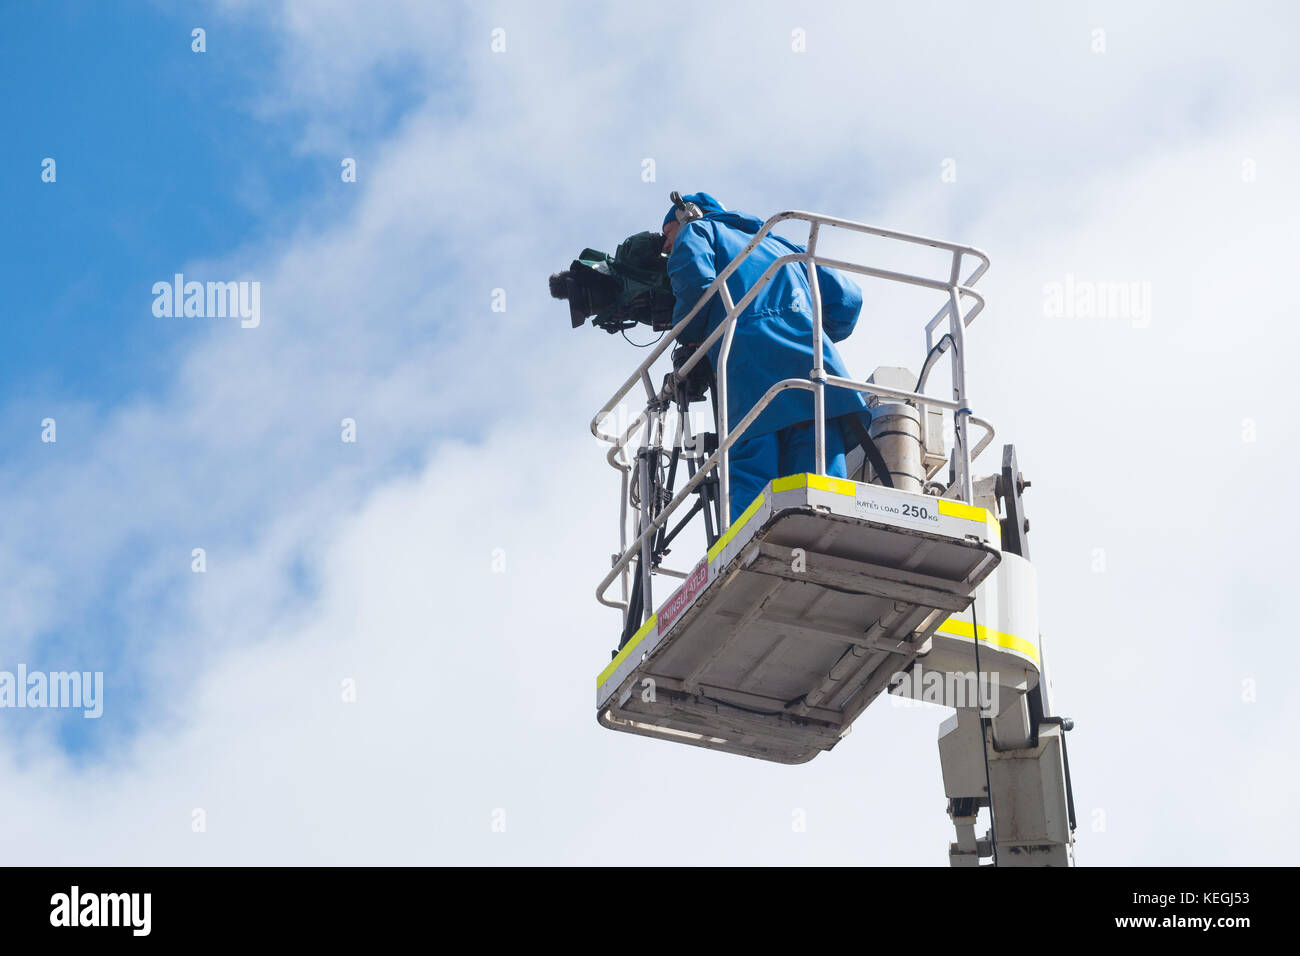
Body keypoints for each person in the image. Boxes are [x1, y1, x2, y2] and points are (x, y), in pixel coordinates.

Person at [661, 192, 868, 523]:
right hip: (813, 361)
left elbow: (695, 286)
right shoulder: (779, 244)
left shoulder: (698, 231)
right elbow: (847, 299)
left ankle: (745, 542)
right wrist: (807, 319)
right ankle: (824, 533)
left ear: (684, 216)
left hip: (748, 360)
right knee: (818, 460)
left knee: (753, 461)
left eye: (666, 236)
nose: (666, 248)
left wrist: (689, 336)